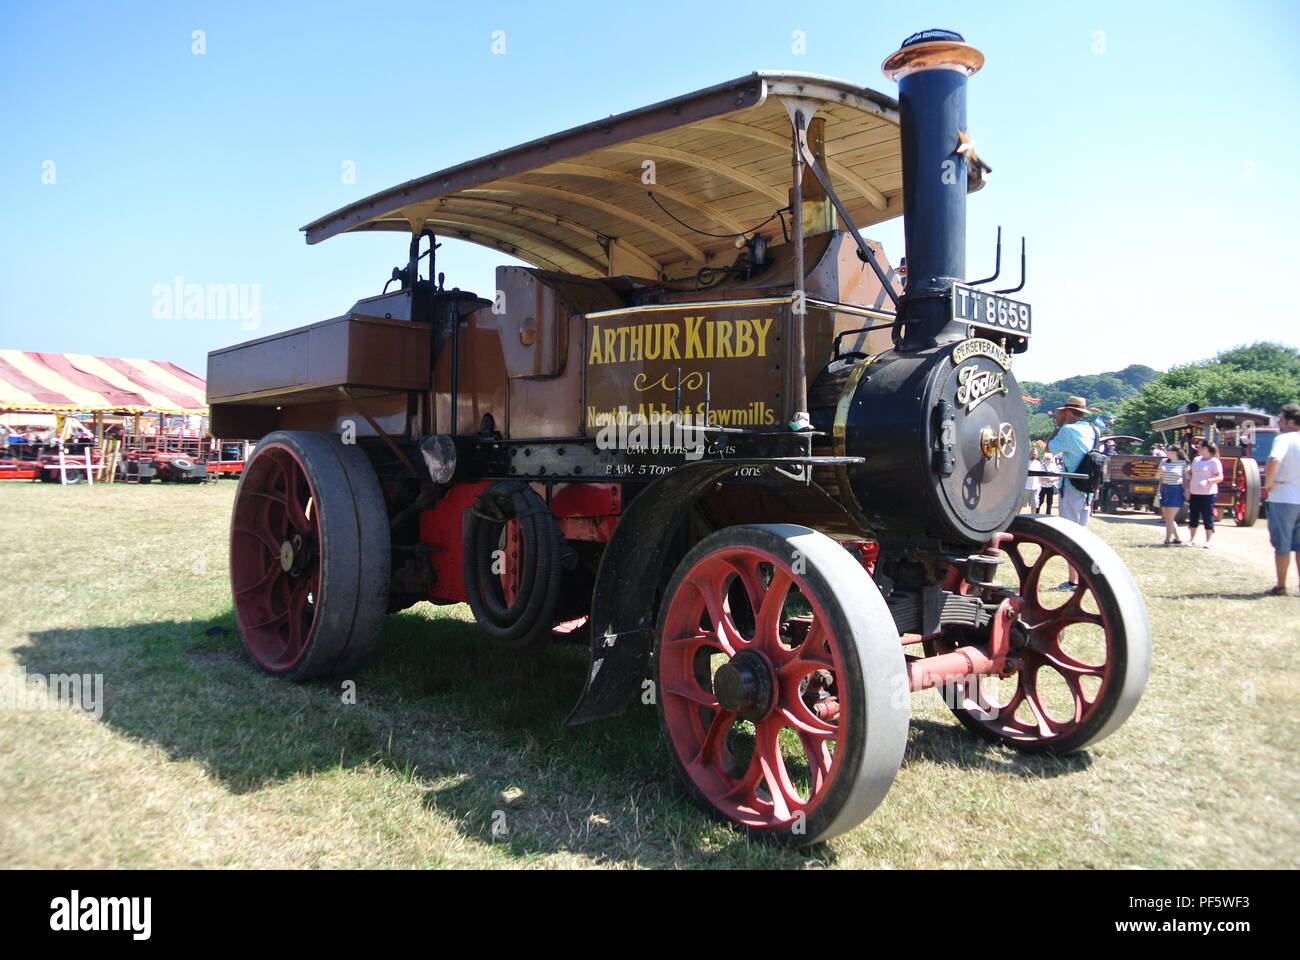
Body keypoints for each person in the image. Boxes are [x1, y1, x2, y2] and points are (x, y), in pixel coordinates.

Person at [1047, 396, 1101, 588]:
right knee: (1082, 533)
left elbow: (1050, 448)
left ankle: (1073, 580)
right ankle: (1084, 576)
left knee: (1069, 535)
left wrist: (1057, 427)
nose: (1058, 415)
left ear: (1068, 412)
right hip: (1087, 489)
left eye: (1061, 412)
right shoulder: (1093, 429)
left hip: (1071, 487)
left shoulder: (1068, 430)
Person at [1264, 403, 1300, 595]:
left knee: (1283, 545)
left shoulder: (1284, 438)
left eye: (1281, 419)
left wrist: (1269, 482)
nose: (1278, 421)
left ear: (1291, 422)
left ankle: (1281, 585)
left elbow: (1273, 459)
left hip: (1284, 497)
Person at [1185, 440, 1224, 548]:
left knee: (1207, 516)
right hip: (1194, 493)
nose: (1198, 449)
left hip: (1208, 494)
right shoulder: (1196, 460)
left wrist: (1207, 481)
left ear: (1206, 449)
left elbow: (1220, 477)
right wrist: (1187, 488)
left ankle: (1208, 540)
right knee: (1193, 516)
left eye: (1199, 447)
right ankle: (1191, 539)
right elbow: (1190, 474)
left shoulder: (1214, 461)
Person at [1157, 444, 1188, 545]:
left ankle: (1167, 539)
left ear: (1175, 453)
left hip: (1176, 490)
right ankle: (1177, 539)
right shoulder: (1163, 462)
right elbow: (1157, 477)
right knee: (1167, 517)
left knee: (1170, 517)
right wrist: (1160, 471)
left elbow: (1186, 478)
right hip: (1165, 489)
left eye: (1168, 451)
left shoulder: (1183, 463)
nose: (1166, 453)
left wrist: (1187, 490)